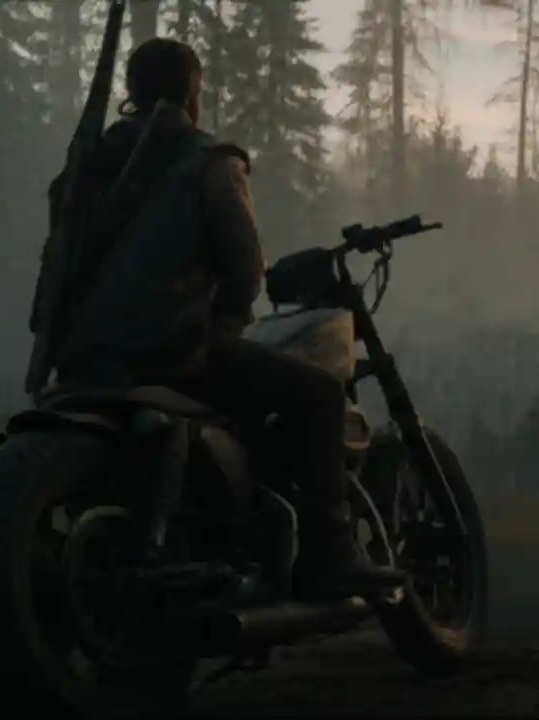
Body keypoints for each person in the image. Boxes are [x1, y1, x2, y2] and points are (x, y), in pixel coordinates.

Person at [49, 39, 399, 599]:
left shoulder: (87, 168)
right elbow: (244, 266)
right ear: (193, 93)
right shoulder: (208, 160)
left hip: (82, 356)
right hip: (169, 349)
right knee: (319, 396)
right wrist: (227, 321)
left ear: (132, 96)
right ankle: (330, 556)